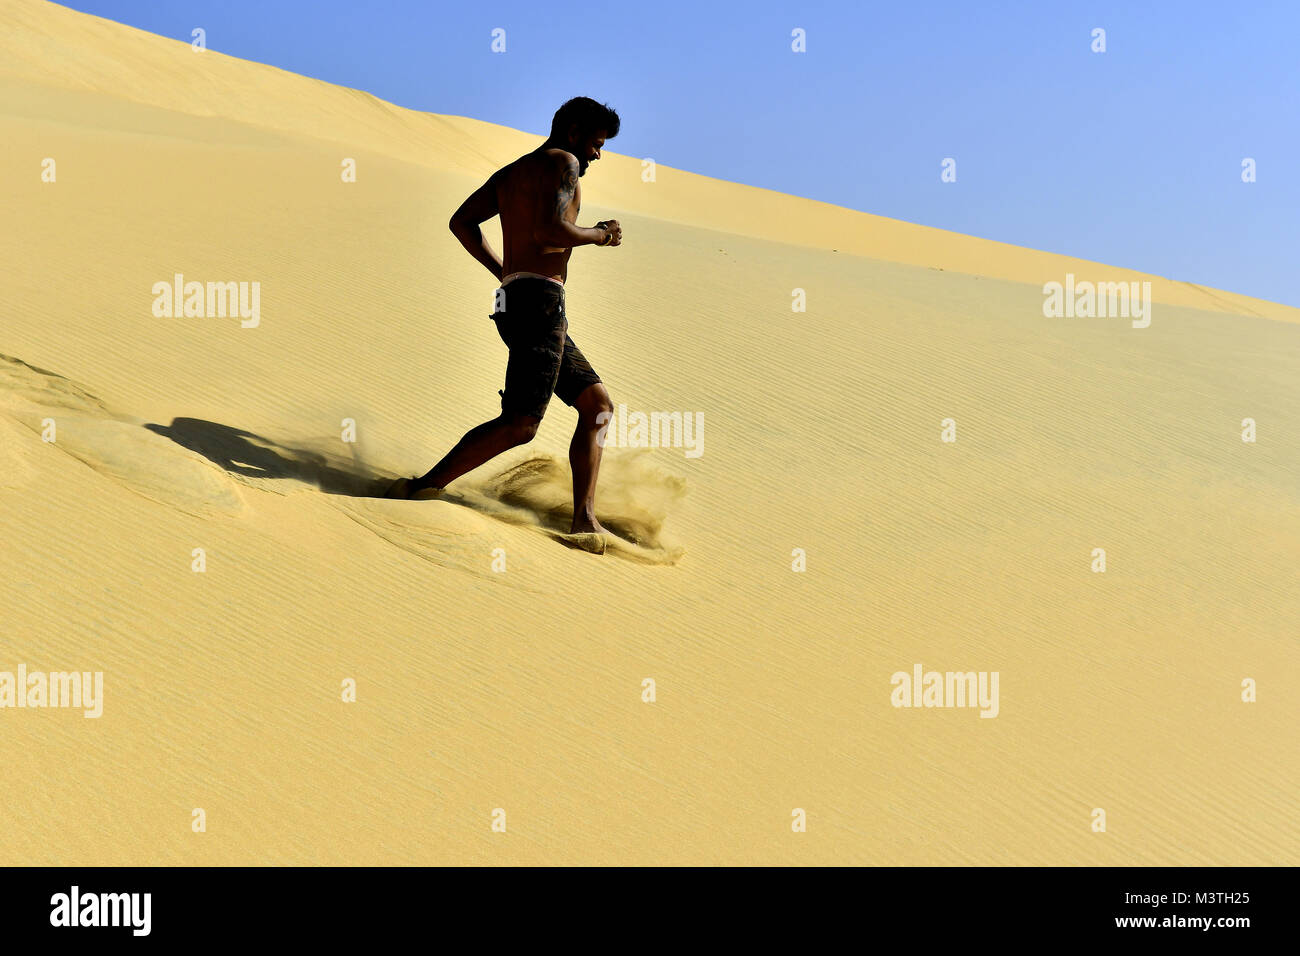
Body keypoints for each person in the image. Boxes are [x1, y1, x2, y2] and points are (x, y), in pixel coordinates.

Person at [385, 97, 622, 549]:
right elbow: (549, 232)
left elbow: (462, 222)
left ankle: (584, 520)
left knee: (597, 407)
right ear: (573, 132)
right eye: (595, 143)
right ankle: (420, 489)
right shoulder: (563, 162)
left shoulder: (513, 171)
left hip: (518, 299)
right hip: (539, 303)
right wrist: (600, 234)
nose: (597, 155)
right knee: (520, 424)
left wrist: (505, 274)